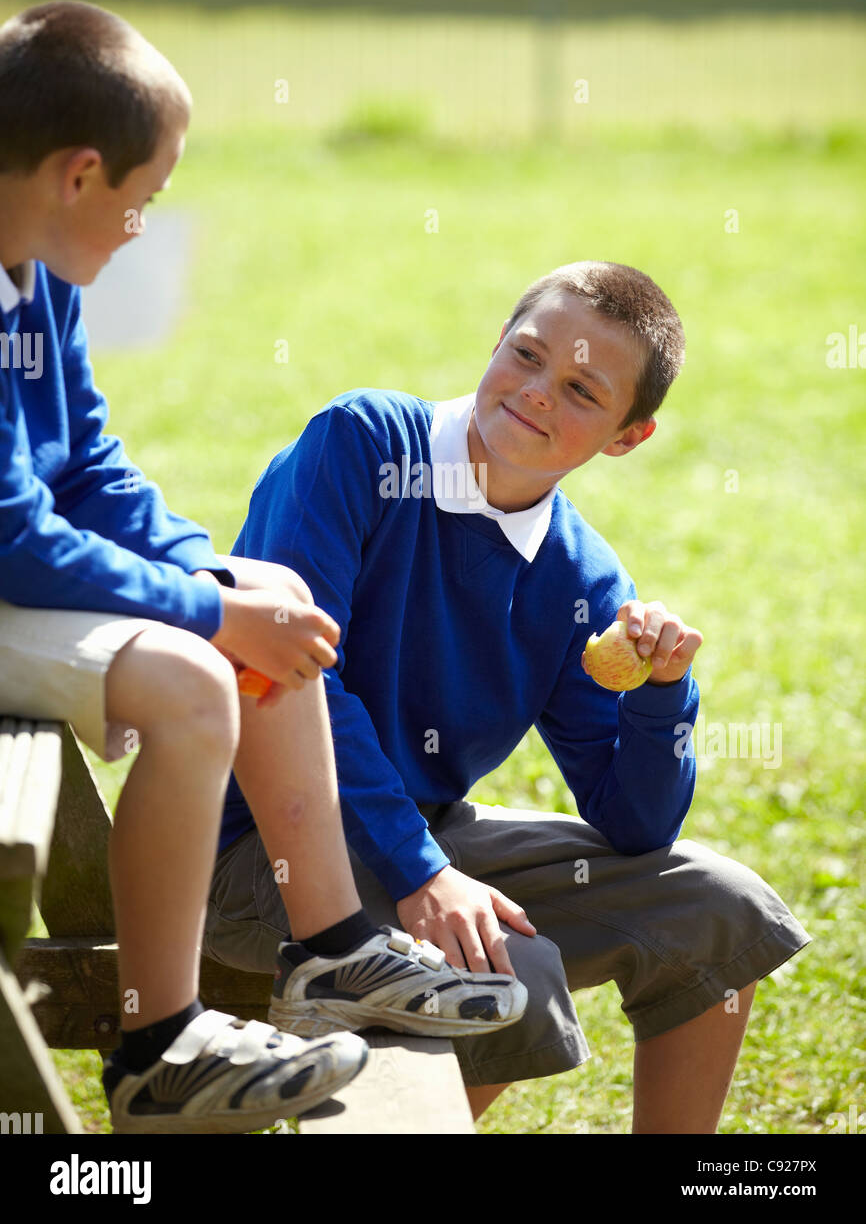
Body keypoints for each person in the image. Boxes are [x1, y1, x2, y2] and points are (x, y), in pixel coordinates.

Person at [0, 0, 526, 1135]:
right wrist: (203, 612)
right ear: (80, 174)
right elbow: (12, 533)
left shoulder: (37, 268)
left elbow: (86, 466)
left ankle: (332, 948)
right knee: (197, 677)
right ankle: (159, 1044)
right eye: (148, 193)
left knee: (271, 600)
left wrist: (221, 582)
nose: (146, 223)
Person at [205, 260, 811, 1131]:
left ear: (627, 437)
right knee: (504, 973)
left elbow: (634, 824)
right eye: (526, 355)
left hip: (421, 838)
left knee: (719, 905)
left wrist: (662, 695)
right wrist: (422, 872)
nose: (536, 393)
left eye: (579, 390)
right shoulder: (362, 443)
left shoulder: (579, 575)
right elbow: (294, 681)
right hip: (259, 851)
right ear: (496, 339)